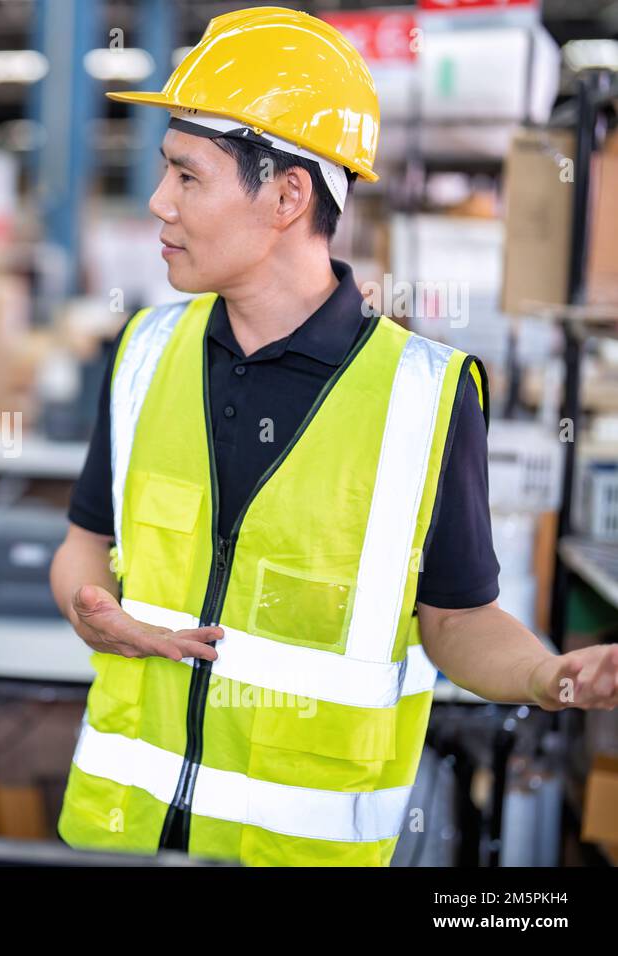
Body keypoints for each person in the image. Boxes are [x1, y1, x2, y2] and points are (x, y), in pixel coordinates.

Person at [50, 7, 618, 866]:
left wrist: (548, 677)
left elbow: (456, 619)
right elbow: (84, 548)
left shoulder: (425, 396)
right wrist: (91, 613)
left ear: (287, 195)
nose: (158, 203)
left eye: (187, 176)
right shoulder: (143, 353)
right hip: (114, 836)